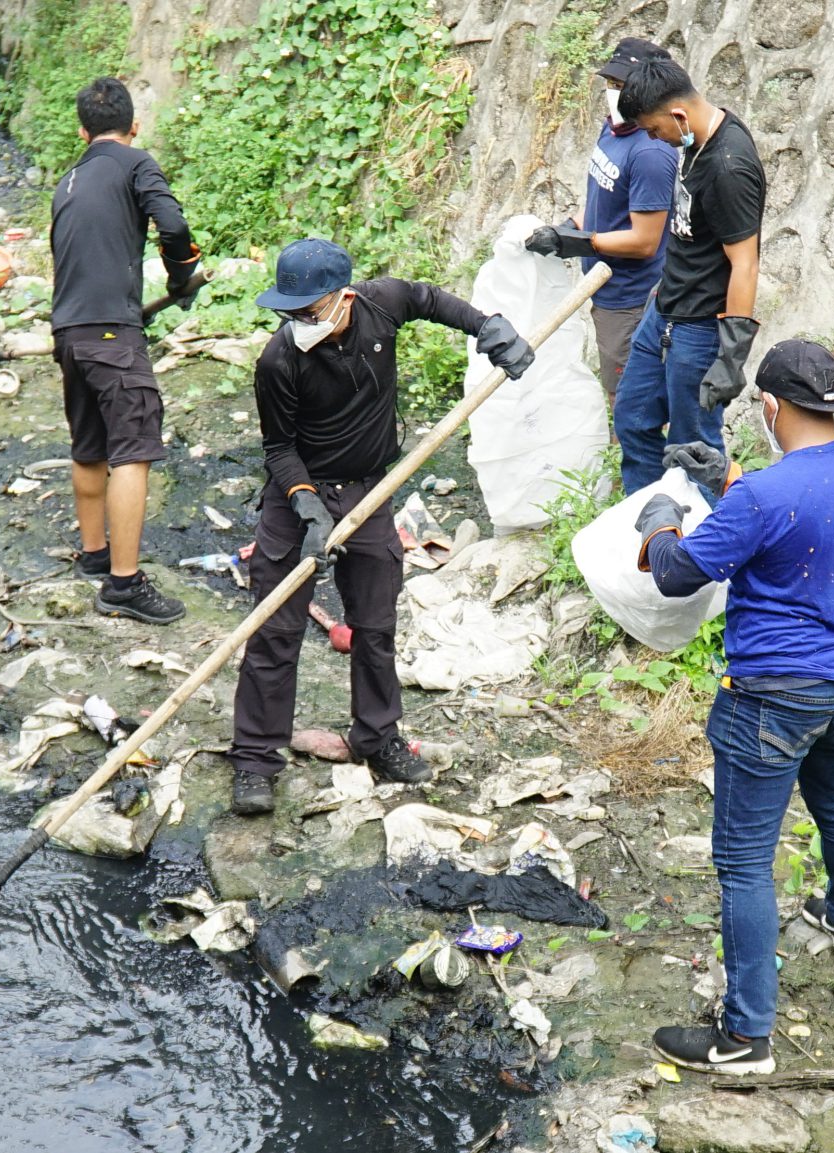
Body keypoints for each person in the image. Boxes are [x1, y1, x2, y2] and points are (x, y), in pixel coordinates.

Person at [633, 341, 834, 1076]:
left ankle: (745, 1036)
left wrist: (659, 521)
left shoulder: (762, 497)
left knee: (745, 861)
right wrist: (736, 482)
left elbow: (678, 573)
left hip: (771, 698)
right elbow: (808, 519)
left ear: (773, 408)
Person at [228, 239, 536, 815]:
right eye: (288, 311)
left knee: (375, 624)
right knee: (274, 630)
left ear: (344, 297)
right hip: (297, 496)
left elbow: (432, 300)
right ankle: (254, 759)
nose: (298, 321)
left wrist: (490, 327)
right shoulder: (279, 360)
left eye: (308, 310)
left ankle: (377, 738)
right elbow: (278, 448)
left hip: (369, 490)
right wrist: (307, 507)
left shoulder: (382, 303)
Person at [49, 76, 203, 625]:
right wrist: (184, 273)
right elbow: (174, 224)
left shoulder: (67, 181)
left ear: (82, 130)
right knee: (132, 450)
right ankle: (123, 584)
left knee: (89, 445)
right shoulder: (136, 163)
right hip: (113, 335)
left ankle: (94, 555)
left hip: (68, 332)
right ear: (134, 125)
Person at [610, 55, 766, 498]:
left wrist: (731, 356)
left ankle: (704, 555)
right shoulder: (692, 140)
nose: (654, 138)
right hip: (664, 312)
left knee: (694, 449)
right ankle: (649, 531)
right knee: (633, 419)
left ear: (678, 115)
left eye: (654, 129)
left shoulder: (728, 166)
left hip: (699, 330)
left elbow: (745, 263)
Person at [525, 38, 679, 421]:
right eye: (611, 84)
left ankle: (633, 468)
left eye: (623, 87)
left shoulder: (650, 153)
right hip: (604, 284)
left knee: (629, 396)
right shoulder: (613, 130)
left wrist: (580, 242)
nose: (614, 94)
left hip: (632, 296)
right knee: (618, 388)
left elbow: (645, 241)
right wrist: (569, 227)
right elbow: (602, 197)